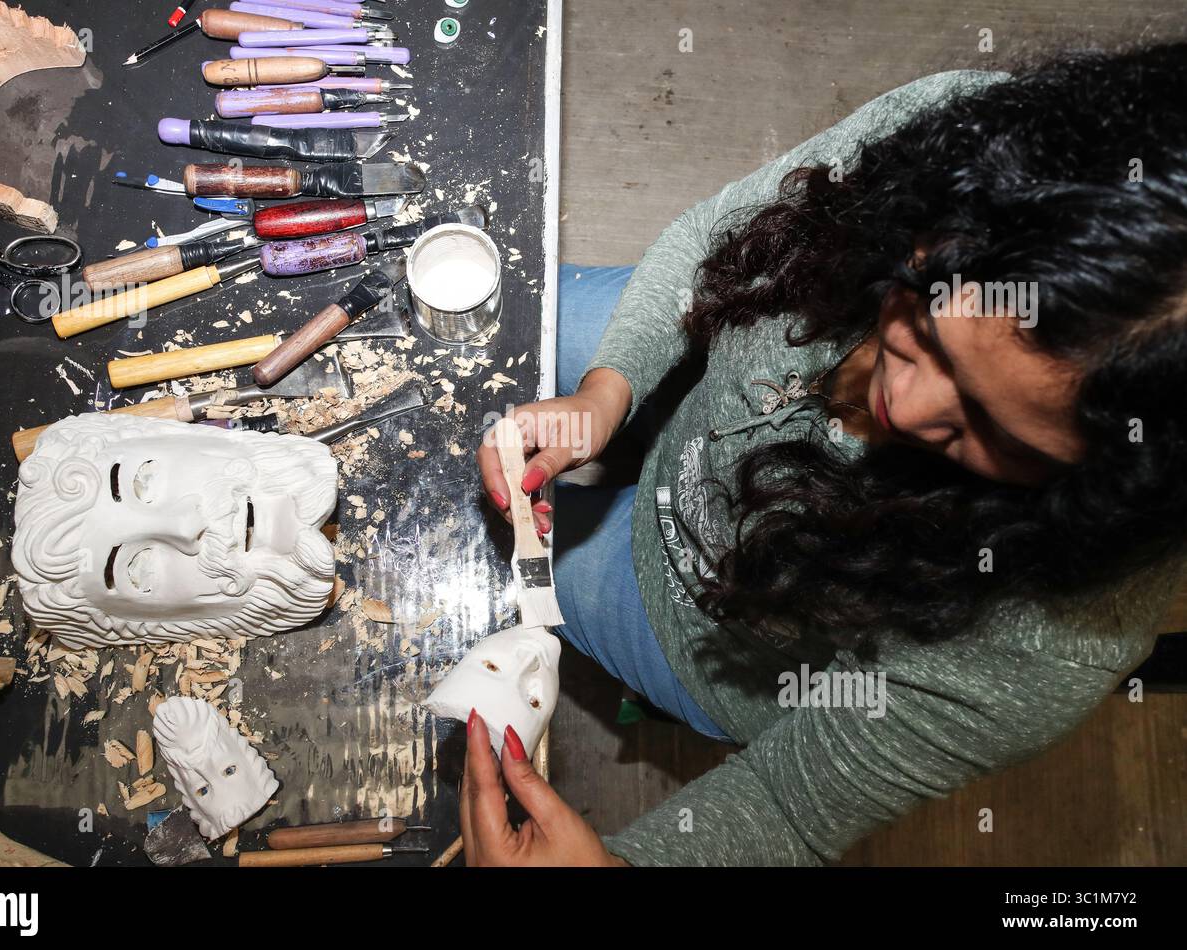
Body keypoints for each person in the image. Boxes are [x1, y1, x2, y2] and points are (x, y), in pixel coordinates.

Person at [460, 43, 1187, 866]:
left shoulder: (1051, 643)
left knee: (473, 554)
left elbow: (784, 804)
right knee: (479, 323)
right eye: (931, 330)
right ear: (939, 218)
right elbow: (713, 245)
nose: (904, 408)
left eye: (1002, 435)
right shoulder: (962, 142)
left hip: (696, 628)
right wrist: (610, 388)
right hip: (704, 351)